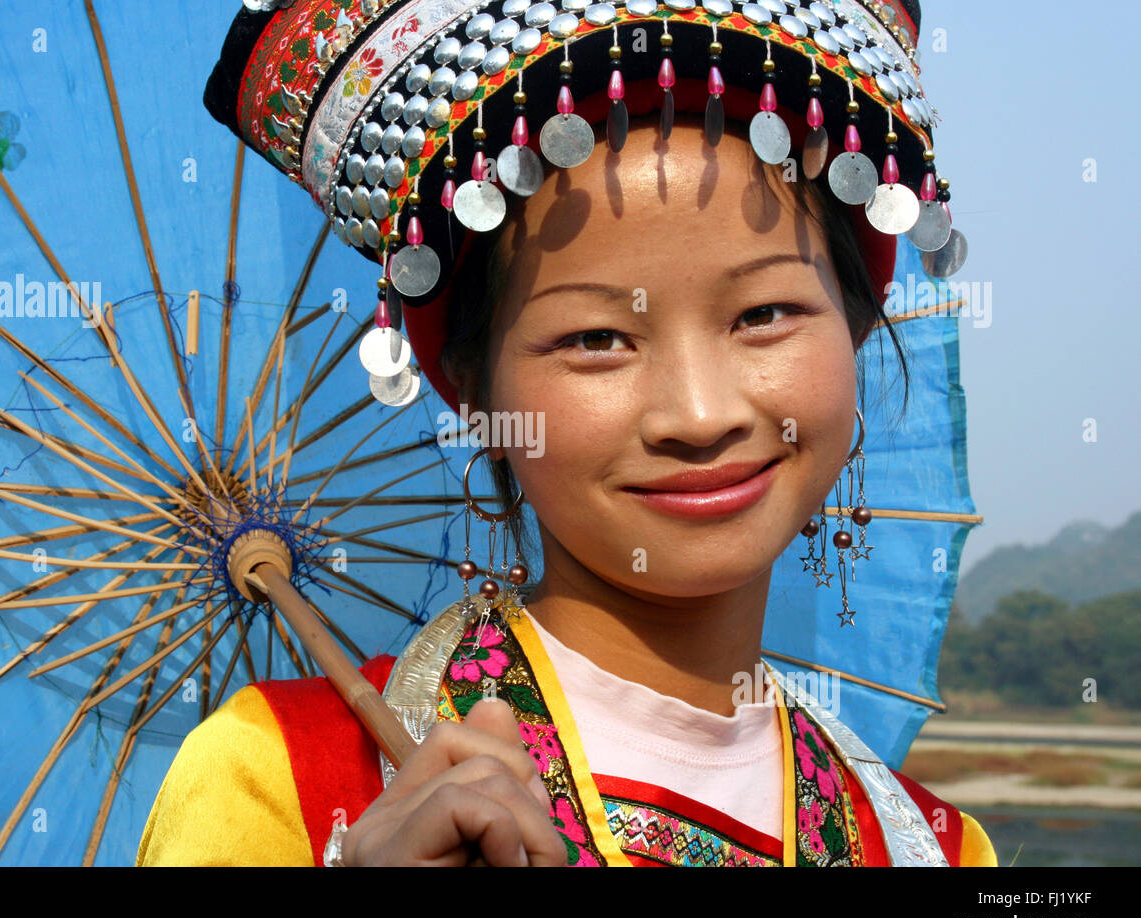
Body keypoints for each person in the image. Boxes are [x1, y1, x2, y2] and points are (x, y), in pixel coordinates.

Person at [137, 0, 993, 867]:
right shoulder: (284, 779)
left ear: (853, 327)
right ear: (471, 385)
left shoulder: (938, 851)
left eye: (764, 313)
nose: (700, 415)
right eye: (596, 339)